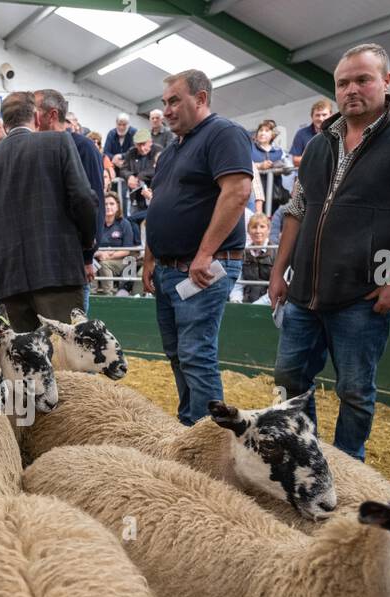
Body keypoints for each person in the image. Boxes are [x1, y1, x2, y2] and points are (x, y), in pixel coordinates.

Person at [269, 43, 390, 461]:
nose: (351, 89)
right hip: (304, 293)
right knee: (288, 376)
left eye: (363, 79)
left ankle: (350, 462)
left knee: (354, 390)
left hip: (363, 296)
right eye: (343, 82)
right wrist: (279, 271)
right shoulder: (319, 144)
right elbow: (296, 210)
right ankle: (306, 452)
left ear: (386, 81)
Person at [142, 69, 252, 425]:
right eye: (164, 103)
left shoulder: (223, 133)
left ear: (200, 98)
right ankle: (191, 423)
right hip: (169, 267)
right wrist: (149, 260)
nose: (167, 110)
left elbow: (237, 192)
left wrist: (204, 255)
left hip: (204, 266)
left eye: (175, 101)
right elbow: (159, 205)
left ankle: (208, 436)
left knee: (195, 352)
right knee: (178, 352)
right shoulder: (173, 150)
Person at [0, 91, 97, 331]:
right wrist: (87, 240)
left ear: (5, 124)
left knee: (27, 362)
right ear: (36, 119)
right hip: (57, 268)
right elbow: (83, 198)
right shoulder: (59, 142)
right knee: (65, 355)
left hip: (9, 276)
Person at [34, 88, 104, 310]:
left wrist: (87, 257)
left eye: (34, 111)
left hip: (73, 257)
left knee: (74, 331)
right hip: (43, 256)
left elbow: (94, 204)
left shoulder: (84, 147)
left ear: (52, 115)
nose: (31, 117)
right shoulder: (36, 148)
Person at [95, 193, 139, 296]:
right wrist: (99, 254)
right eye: (105, 204)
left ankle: (109, 295)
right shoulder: (97, 224)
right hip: (99, 257)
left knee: (103, 264)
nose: (108, 207)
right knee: (91, 263)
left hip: (120, 260)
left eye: (111, 203)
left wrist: (108, 255)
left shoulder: (124, 224)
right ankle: (92, 293)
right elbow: (91, 245)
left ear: (117, 206)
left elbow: (127, 250)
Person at [240, 213, 275, 304]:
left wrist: (255, 306)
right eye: (254, 227)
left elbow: (278, 286)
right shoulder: (244, 252)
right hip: (246, 302)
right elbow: (238, 283)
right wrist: (236, 301)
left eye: (262, 227)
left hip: (270, 303)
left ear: (269, 230)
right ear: (248, 231)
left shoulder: (277, 251)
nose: (258, 231)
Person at [290, 99, 333, 165]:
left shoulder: (338, 132)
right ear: (312, 116)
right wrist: (320, 159)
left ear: (331, 116)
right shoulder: (301, 134)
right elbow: (295, 160)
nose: (321, 119)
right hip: (310, 174)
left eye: (324, 115)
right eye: (317, 115)